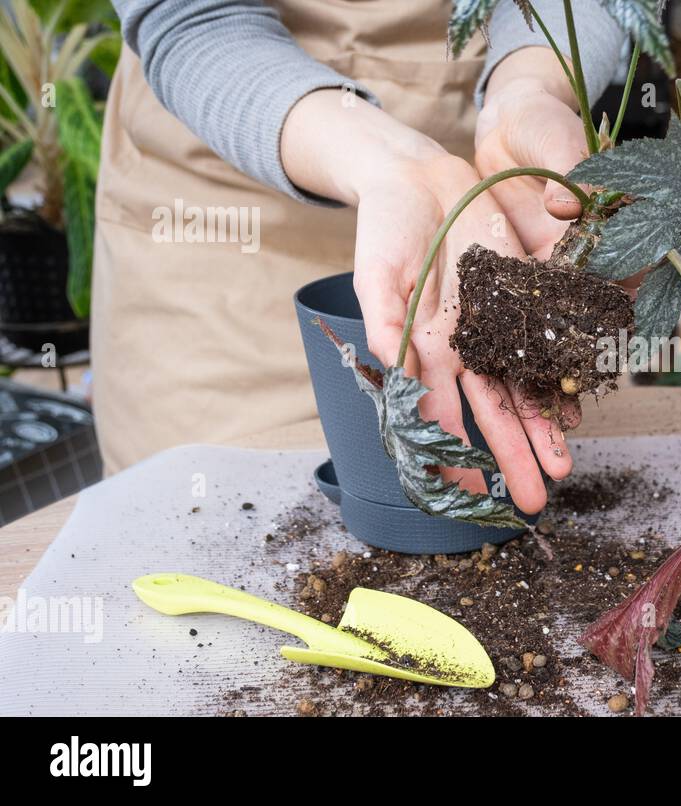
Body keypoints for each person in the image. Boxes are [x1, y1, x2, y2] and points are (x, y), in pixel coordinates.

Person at [93, 0, 624, 514]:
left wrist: (529, 88)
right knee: (217, 520)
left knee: (489, 517)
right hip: (220, 205)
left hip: (480, 206)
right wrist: (388, 165)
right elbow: (191, 16)